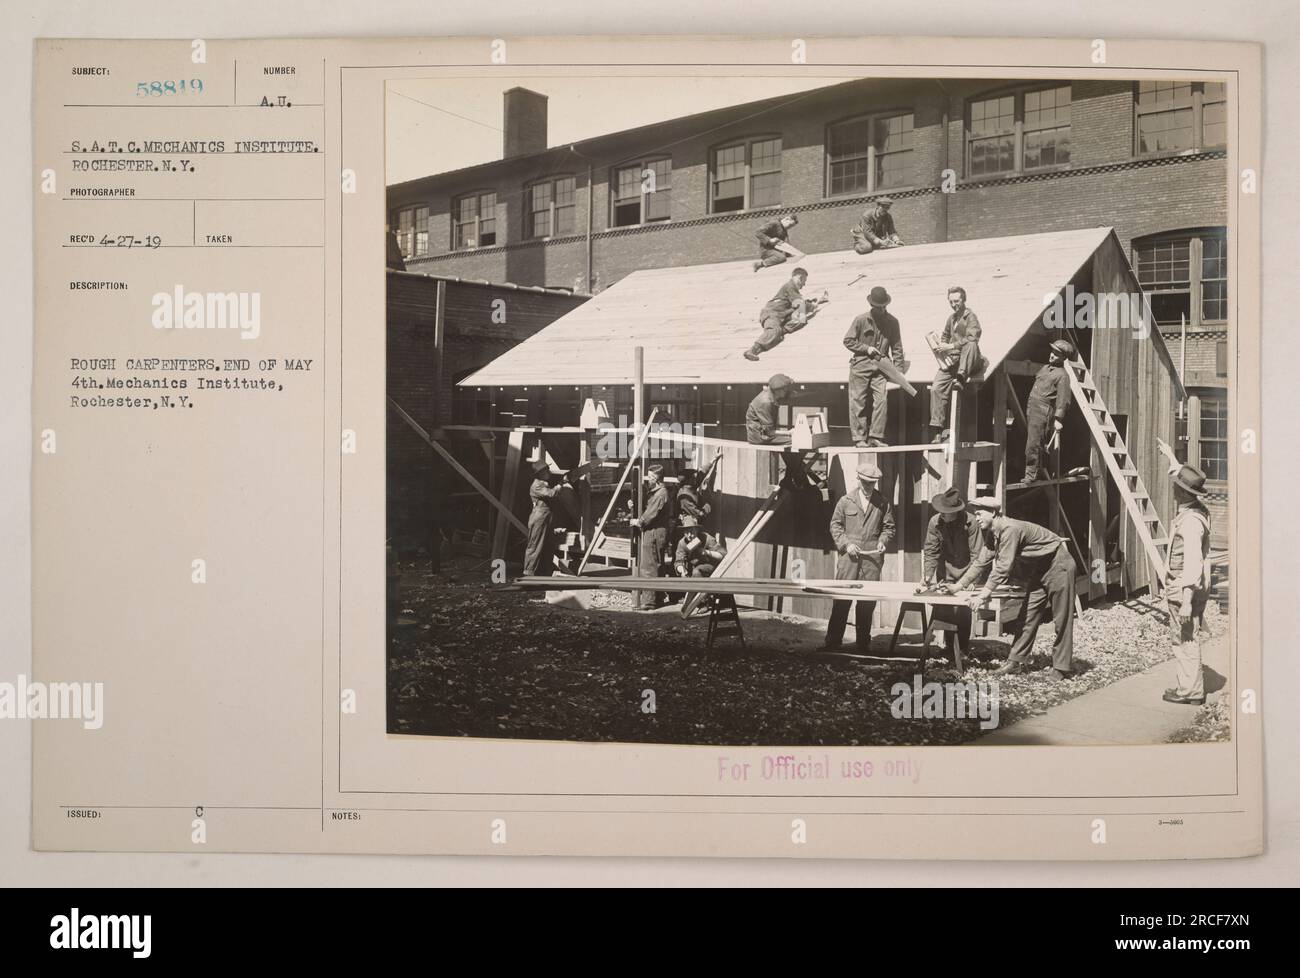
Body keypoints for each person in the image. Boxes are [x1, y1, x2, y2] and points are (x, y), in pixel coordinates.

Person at [957, 498, 1076, 680]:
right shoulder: (993, 533)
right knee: (1027, 615)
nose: (976, 518)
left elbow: (1004, 567)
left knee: (1062, 619)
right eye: (975, 514)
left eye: (979, 514)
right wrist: (958, 585)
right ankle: (1015, 661)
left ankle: (1061, 667)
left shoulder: (1010, 529)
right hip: (1041, 568)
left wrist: (983, 596)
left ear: (994, 512)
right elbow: (981, 562)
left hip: (1058, 564)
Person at [823, 460, 894, 653]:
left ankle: (863, 644)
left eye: (872, 483)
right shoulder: (846, 501)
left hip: (872, 558)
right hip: (849, 557)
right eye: (865, 482)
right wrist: (846, 544)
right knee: (842, 599)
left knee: (867, 601)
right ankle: (833, 642)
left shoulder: (883, 502)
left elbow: (889, 527)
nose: (868, 486)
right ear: (858, 480)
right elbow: (835, 526)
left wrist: (883, 541)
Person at [1163, 464, 1213, 705]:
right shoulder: (1197, 511)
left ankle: (1190, 691)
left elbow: (1193, 562)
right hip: (1191, 588)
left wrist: (1185, 601)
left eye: (1177, 485)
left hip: (1184, 588)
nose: (1173, 487)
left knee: (1185, 640)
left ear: (1182, 492)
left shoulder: (1191, 522)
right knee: (1186, 637)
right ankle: (1190, 687)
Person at [920, 487, 987, 650]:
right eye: (940, 511)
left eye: (945, 512)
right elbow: (931, 550)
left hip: (967, 571)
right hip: (946, 571)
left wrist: (972, 579)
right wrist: (928, 574)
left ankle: (961, 650)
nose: (942, 514)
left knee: (963, 610)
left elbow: (978, 554)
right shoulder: (935, 522)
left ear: (956, 511)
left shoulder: (971, 522)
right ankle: (946, 648)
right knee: (943, 607)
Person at [844, 286, 906, 448]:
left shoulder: (893, 322)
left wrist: (898, 372)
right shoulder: (860, 320)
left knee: (882, 399)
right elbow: (848, 341)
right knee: (858, 400)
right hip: (860, 365)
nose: (880, 309)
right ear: (872, 305)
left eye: (883, 307)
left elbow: (897, 348)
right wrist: (866, 348)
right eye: (877, 307)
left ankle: (875, 437)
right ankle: (859, 438)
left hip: (881, 367)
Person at [928, 286, 986, 443]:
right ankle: (937, 430)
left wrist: (951, 346)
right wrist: (941, 346)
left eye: (957, 301)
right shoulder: (951, 318)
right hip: (953, 360)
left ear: (964, 300)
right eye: (951, 302)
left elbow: (973, 337)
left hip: (969, 361)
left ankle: (960, 378)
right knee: (936, 389)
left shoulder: (970, 317)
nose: (954, 305)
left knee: (971, 344)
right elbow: (945, 336)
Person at [743, 268, 827, 361]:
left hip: (781, 316)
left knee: (800, 319)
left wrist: (816, 302)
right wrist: (813, 306)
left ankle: (778, 334)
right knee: (775, 331)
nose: (804, 285)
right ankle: (751, 351)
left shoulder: (791, 289)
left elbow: (799, 305)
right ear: (800, 277)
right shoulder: (790, 286)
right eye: (804, 281)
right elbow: (800, 304)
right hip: (772, 314)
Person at [1023, 338, 1075, 483]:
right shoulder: (1045, 368)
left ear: (1064, 358)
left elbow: (1063, 399)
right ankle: (1037, 470)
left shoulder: (1062, 375)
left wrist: (1058, 419)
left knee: (1034, 442)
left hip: (1042, 411)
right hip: (1031, 407)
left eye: (1056, 354)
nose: (1052, 355)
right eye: (1052, 351)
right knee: (1031, 439)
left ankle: (1031, 474)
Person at [630, 463, 671, 610]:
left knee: (648, 566)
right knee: (658, 565)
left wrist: (638, 521)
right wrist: (633, 505)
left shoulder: (660, 494)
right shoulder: (657, 492)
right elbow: (647, 506)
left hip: (653, 532)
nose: (648, 479)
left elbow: (650, 513)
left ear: (657, 478)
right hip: (659, 532)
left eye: (650, 477)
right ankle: (658, 598)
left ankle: (649, 602)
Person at [522, 459, 562, 577]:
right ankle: (528, 573)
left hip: (546, 516)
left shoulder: (544, 483)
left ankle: (543, 572)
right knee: (535, 545)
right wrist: (560, 485)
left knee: (547, 545)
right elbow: (552, 494)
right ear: (540, 473)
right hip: (539, 517)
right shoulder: (537, 485)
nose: (549, 472)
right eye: (546, 470)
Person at [745, 373, 795, 446]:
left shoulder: (770, 395)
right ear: (778, 390)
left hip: (765, 435)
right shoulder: (765, 402)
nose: (786, 391)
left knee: (794, 441)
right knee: (795, 441)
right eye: (785, 389)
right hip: (759, 438)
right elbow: (770, 432)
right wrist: (788, 432)